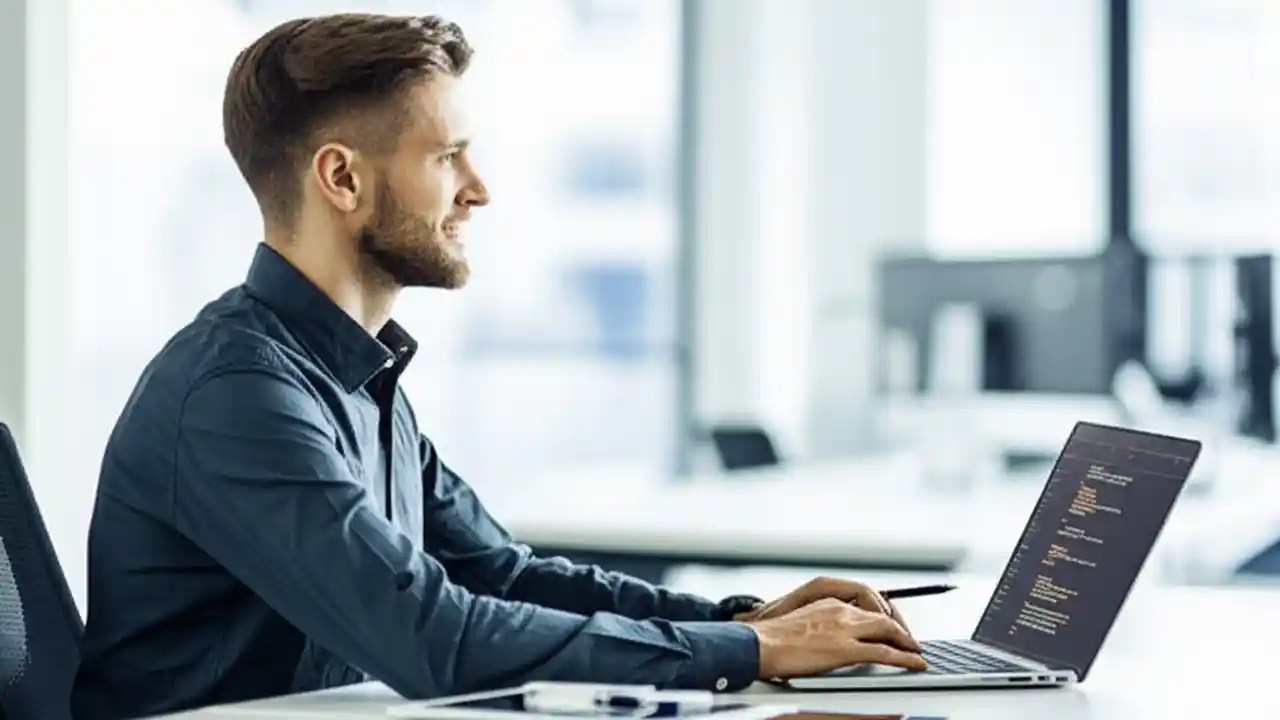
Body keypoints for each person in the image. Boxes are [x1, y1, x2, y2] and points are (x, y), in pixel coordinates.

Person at [70, 13, 926, 720]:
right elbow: (434, 638)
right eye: (448, 157)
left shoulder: (354, 379)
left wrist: (744, 621)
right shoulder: (238, 395)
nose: (478, 189)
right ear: (341, 177)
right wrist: (749, 652)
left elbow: (503, 576)